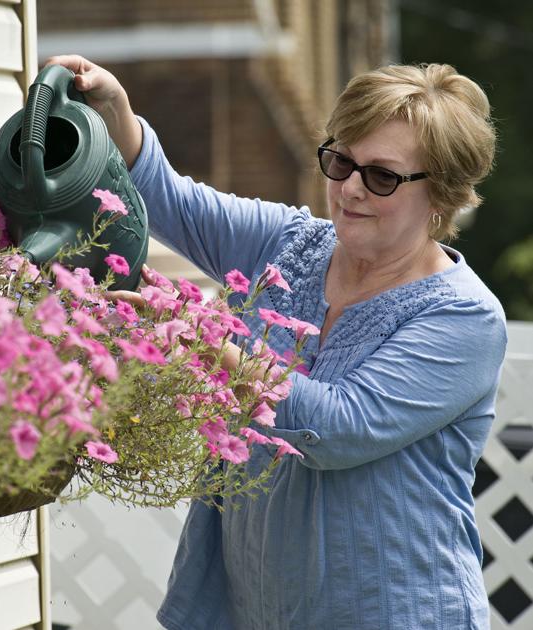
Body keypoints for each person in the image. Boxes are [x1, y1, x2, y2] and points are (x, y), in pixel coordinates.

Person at [46, 55, 506, 629]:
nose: (350, 189)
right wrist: (116, 112)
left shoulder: (463, 316)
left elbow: (335, 428)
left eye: (382, 177)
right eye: (341, 161)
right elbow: (172, 203)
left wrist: (200, 334)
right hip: (259, 610)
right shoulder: (291, 244)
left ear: (442, 194)